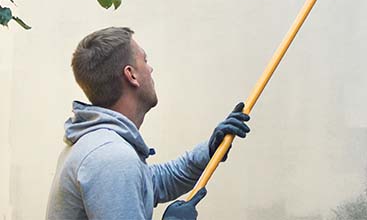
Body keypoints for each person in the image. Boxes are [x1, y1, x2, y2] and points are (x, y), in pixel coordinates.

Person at [46, 26, 251, 220]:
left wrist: (210, 150)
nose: (150, 69)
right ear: (131, 75)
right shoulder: (110, 157)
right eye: (145, 60)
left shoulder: (102, 146)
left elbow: (156, 182)